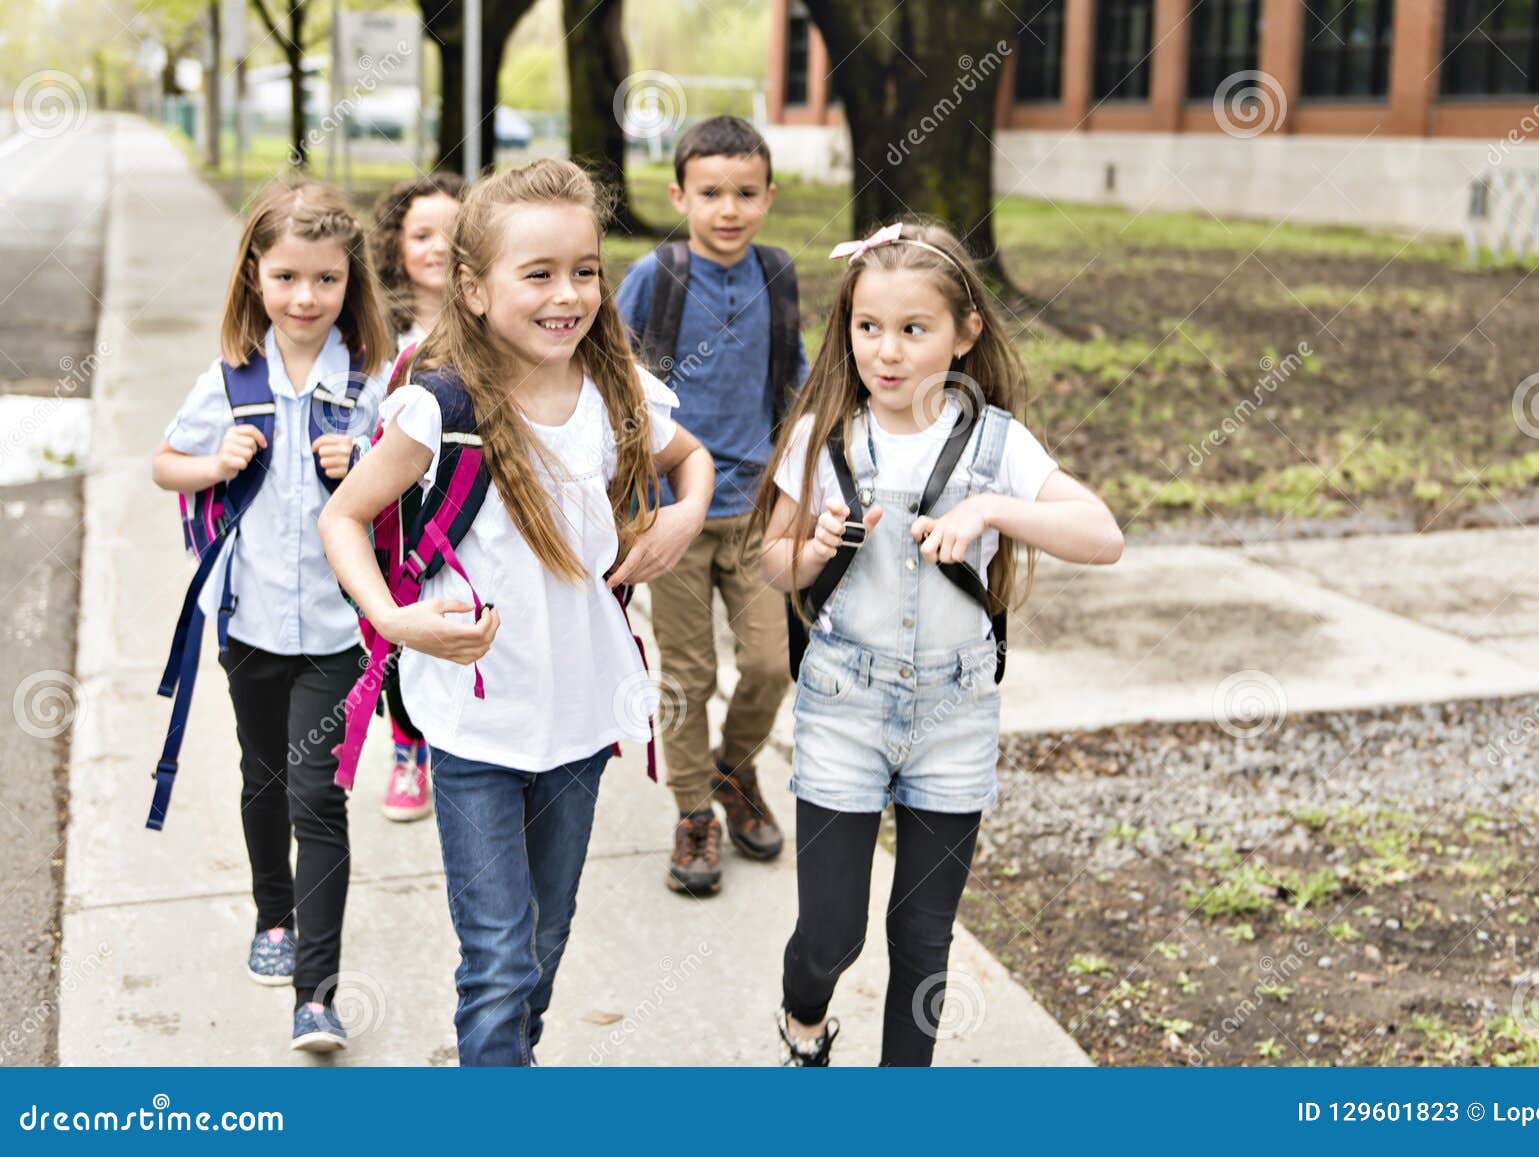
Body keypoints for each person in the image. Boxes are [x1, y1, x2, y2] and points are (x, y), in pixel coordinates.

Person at [319, 159, 714, 1066]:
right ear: (474, 286)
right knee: (497, 960)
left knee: (543, 942)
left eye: (583, 269)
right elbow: (343, 518)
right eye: (537, 274)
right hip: (475, 726)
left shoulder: (620, 395)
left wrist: (683, 518)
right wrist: (397, 618)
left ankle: (507, 1066)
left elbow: (694, 462)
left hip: (580, 723)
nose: (567, 294)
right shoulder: (438, 407)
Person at [752, 219, 1124, 1066]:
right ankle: (803, 1022)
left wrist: (990, 509)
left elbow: (1102, 535)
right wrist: (813, 550)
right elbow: (775, 559)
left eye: (913, 330)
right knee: (830, 934)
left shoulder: (997, 444)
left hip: (955, 710)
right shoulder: (826, 433)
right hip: (844, 703)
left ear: (965, 334)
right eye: (868, 328)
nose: (887, 352)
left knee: (923, 938)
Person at [151, 181, 393, 1052]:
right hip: (249, 624)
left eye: (324, 279)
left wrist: (362, 459)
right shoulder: (228, 380)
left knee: (318, 797)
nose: (303, 297)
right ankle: (272, 912)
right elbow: (163, 465)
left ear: (348, 281)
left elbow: (411, 483)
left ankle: (316, 993)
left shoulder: (370, 387)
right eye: (286, 276)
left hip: (338, 630)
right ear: (255, 275)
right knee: (263, 780)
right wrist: (215, 461)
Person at [615, 115, 809, 896]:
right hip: (674, 515)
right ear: (679, 195)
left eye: (745, 193)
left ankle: (734, 768)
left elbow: (794, 383)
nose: (728, 209)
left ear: (767, 196)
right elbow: (614, 378)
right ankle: (695, 809)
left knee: (772, 659)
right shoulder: (654, 277)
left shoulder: (780, 273)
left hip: (760, 511)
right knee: (688, 674)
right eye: (710, 193)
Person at [367, 172, 466, 821]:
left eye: (452, 234)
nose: (437, 247)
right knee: (401, 634)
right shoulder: (382, 339)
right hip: (399, 516)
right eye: (421, 234)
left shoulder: (491, 326)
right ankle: (408, 748)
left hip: (465, 505)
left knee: (458, 623)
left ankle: (458, 742)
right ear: (397, 248)